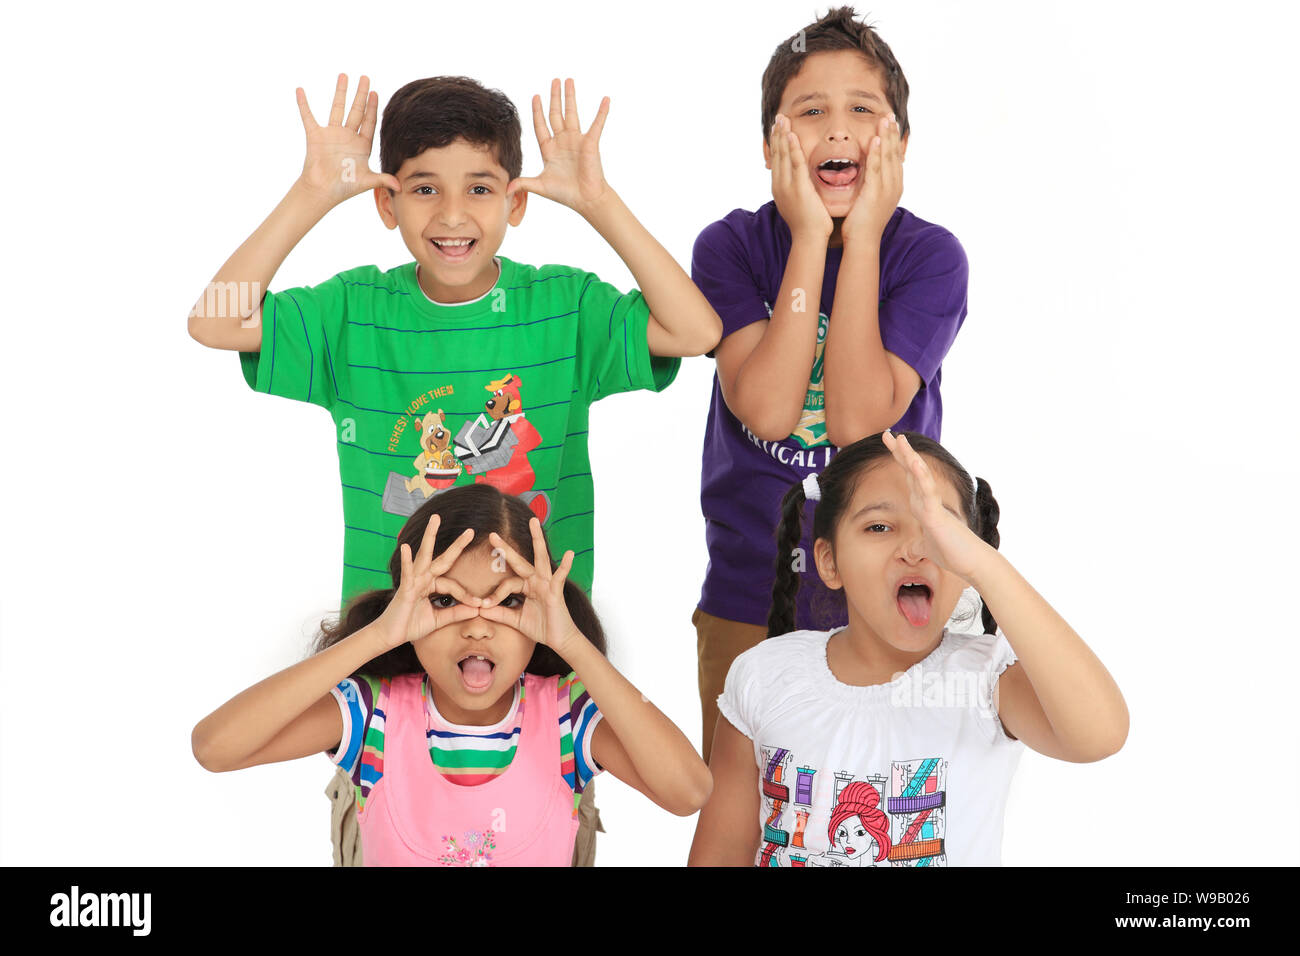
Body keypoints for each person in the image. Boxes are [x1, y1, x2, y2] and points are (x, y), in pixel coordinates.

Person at [186, 73, 722, 863]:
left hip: (531, 646)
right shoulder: (352, 312)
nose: (451, 215)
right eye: (423, 188)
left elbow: (695, 327)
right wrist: (311, 192)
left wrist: (598, 199)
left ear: (516, 201)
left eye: (480, 188)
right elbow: (215, 318)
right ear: (386, 202)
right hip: (402, 652)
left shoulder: (563, 307)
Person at [691, 6, 970, 760]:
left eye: (863, 111)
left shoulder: (929, 257)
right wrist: (811, 235)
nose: (837, 130)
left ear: (900, 143)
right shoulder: (731, 248)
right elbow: (772, 410)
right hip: (748, 590)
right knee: (744, 801)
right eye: (810, 112)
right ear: (769, 145)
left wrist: (866, 236)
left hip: (887, 589)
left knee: (875, 796)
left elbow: (855, 422)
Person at [193, 484, 712, 867]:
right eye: (445, 601)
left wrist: (571, 642)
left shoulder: (567, 717)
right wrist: (377, 636)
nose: (478, 628)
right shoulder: (371, 715)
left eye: (508, 602)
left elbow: (688, 791)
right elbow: (215, 747)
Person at [688, 431, 1127, 866]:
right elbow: (722, 852)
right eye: (879, 526)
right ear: (829, 561)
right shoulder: (764, 674)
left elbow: (1100, 735)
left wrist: (983, 567)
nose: (915, 549)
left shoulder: (987, 682)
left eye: (941, 528)